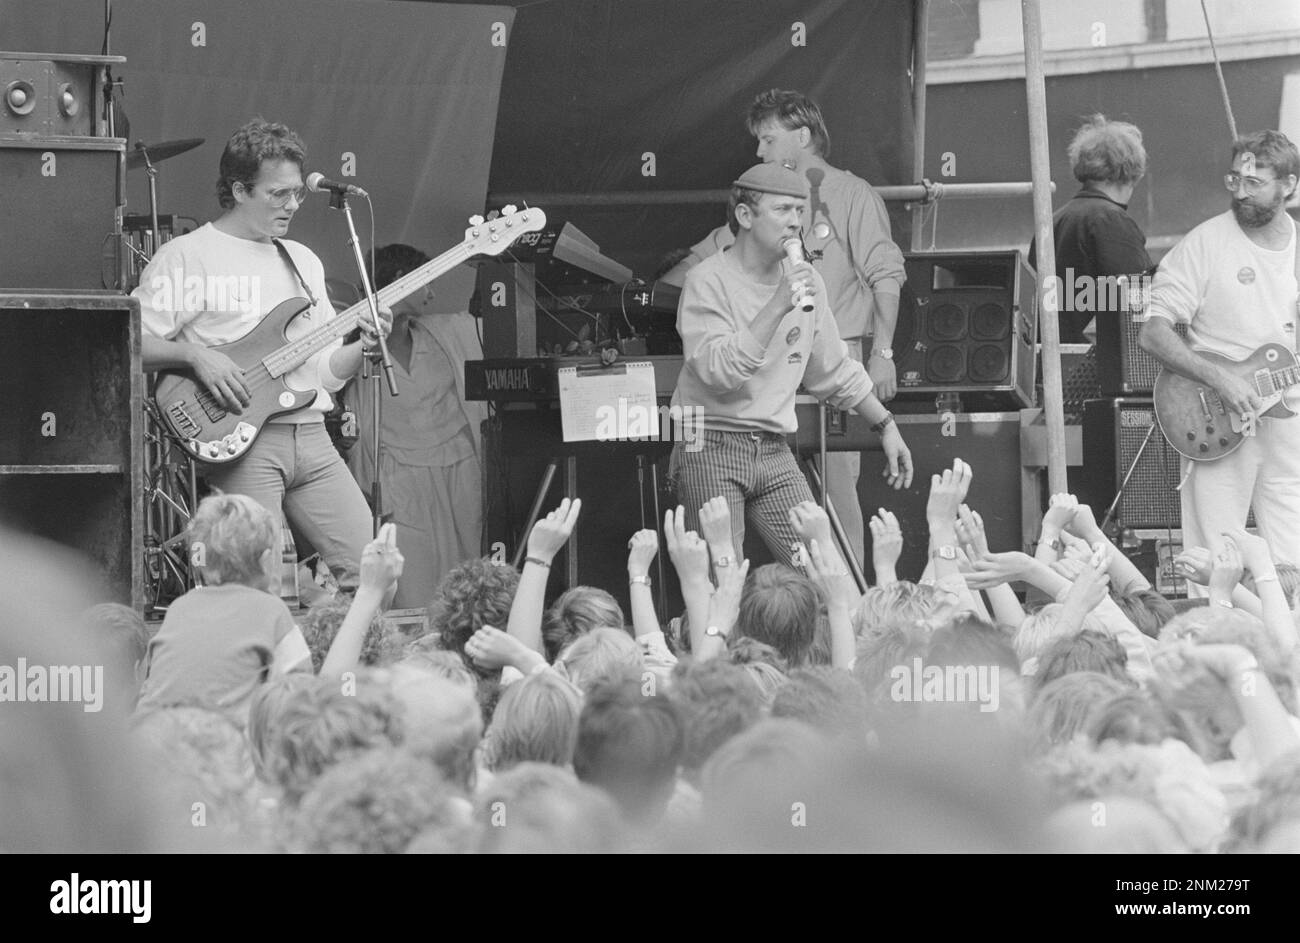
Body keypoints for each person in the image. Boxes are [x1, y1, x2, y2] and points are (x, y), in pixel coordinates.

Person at [135, 118, 390, 589]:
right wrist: (194, 354)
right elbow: (128, 343)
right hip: (245, 440)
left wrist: (361, 348)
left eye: (297, 193)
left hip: (313, 436)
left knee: (377, 576)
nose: (292, 204)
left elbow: (326, 371)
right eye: (278, 194)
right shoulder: (187, 256)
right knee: (257, 588)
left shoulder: (301, 259)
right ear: (239, 189)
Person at [663, 90, 906, 569]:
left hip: (771, 444)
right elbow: (720, 373)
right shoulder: (707, 280)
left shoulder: (810, 274)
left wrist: (886, 425)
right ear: (746, 216)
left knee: (821, 570)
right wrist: (778, 304)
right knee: (719, 580)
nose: (796, 224)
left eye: (799, 212)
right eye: (784, 212)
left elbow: (834, 370)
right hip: (707, 438)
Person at [1138, 130, 1300, 577]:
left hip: (1289, 428)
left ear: (1288, 186)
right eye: (1235, 180)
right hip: (1216, 420)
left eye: (1255, 183)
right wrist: (1220, 379)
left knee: (1294, 557)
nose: (1241, 193)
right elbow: (1153, 334)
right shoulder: (1205, 243)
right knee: (1215, 559)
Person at [345, 244, 489, 606]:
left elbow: (501, 326)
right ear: (399, 282)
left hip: (459, 469)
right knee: (414, 584)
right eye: (426, 283)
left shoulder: (449, 333)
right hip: (401, 477)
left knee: (469, 579)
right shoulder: (355, 353)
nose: (433, 293)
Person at [1029, 114, 1153, 343]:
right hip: (1095, 367)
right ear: (1132, 170)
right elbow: (1138, 304)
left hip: (1050, 364)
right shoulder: (1112, 221)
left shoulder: (1050, 223)